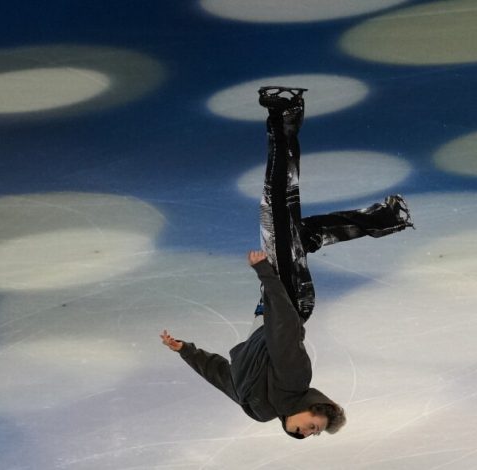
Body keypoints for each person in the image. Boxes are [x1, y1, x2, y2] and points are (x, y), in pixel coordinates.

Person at [160, 87, 413, 439]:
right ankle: (284, 114)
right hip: (286, 297)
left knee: (299, 233)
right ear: (312, 405)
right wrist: (266, 273)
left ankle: (384, 219)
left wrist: (186, 351)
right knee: (277, 203)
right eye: (314, 425)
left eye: (310, 432)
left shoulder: (260, 411)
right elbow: (283, 330)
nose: (308, 432)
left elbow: (224, 378)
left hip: (275, 296)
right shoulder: (295, 380)